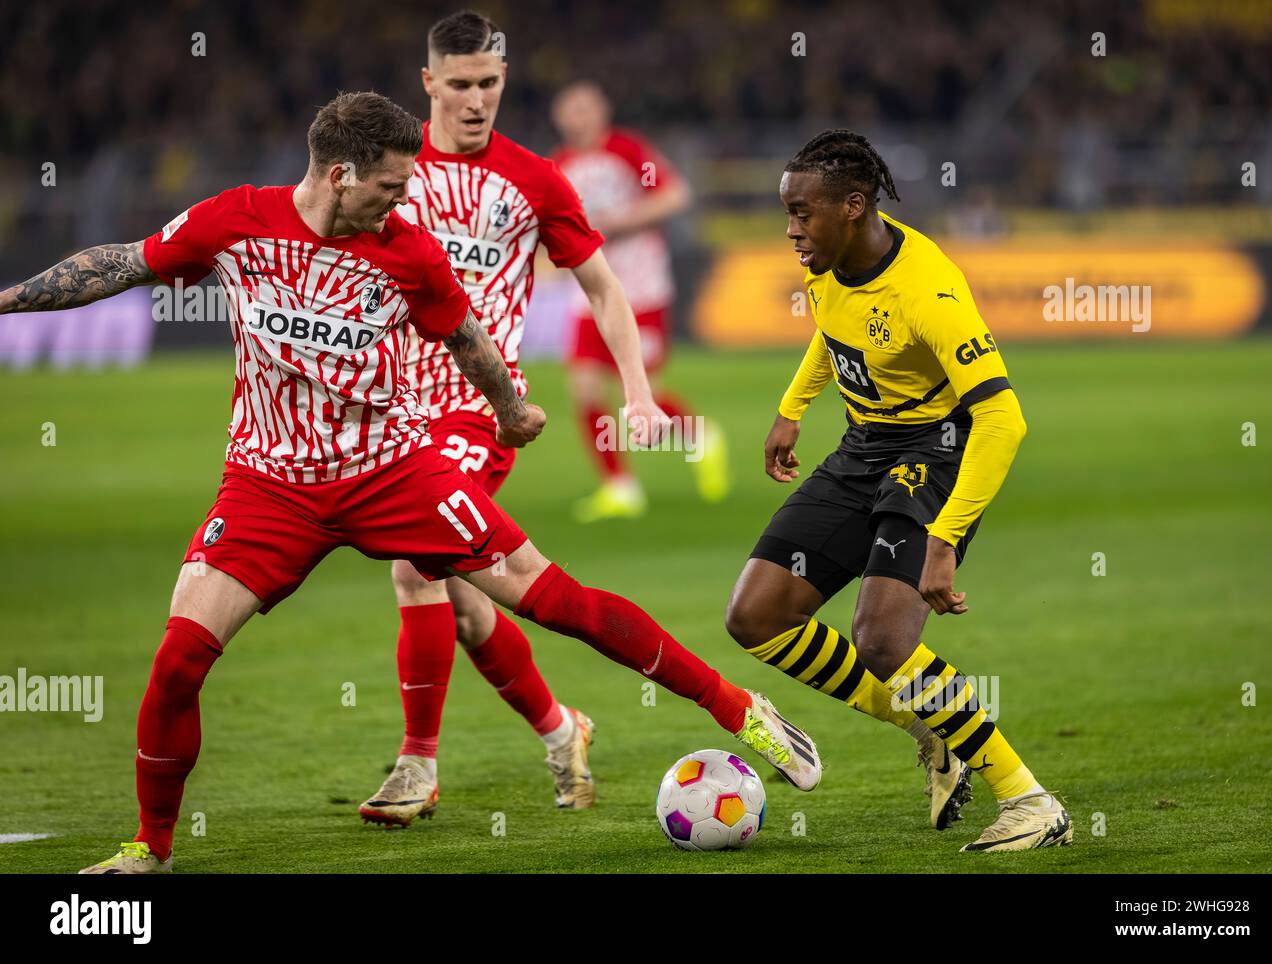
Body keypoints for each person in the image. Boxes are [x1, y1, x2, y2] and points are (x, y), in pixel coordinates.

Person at [0, 91, 822, 874]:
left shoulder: (405, 250)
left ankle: (737, 710)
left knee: (551, 598)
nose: (403, 199)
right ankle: (150, 847)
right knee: (179, 658)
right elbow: (119, 263)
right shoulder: (236, 221)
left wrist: (508, 411)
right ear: (338, 175)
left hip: (392, 472)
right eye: (391, 185)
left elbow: (466, 338)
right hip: (267, 485)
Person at [361, 11, 671, 825]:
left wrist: (637, 391)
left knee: (414, 567)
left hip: (478, 412)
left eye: (487, 84)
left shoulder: (536, 179)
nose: (474, 100)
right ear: (428, 83)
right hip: (389, 413)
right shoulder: (390, 168)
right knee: (465, 607)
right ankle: (560, 728)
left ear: (505, 80)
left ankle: (417, 768)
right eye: (457, 84)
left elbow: (604, 288)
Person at [725, 129, 1071, 852]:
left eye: (801, 214)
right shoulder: (830, 255)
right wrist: (793, 407)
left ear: (854, 206)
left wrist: (943, 540)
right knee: (756, 616)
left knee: (882, 640)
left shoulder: (929, 292)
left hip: (935, 452)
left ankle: (1032, 803)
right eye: (786, 213)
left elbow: (1003, 419)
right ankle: (932, 726)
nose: (790, 230)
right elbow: (834, 328)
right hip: (863, 445)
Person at [551, 80, 729, 522]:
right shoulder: (559, 165)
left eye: (586, 107)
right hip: (589, 288)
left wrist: (620, 221)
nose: (580, 117)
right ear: (560, 118)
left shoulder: (627, 150)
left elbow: (675, 194)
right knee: (585, 388)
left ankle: (699, 436)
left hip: (640, 285)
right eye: (571, 109)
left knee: (644, 389)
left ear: (603, 110)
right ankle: (620, 486)